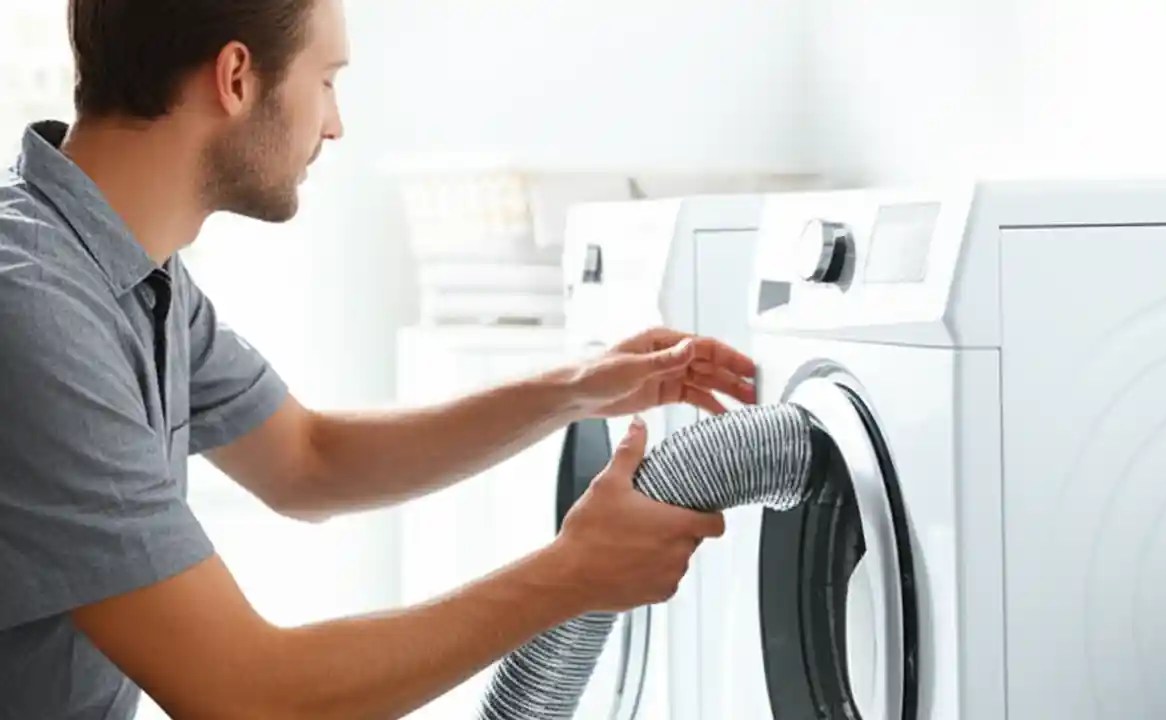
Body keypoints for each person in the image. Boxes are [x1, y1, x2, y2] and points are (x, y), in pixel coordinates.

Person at [0, 1, 757, 717]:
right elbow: (249, 699)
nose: (334, 124)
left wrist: (577, 390)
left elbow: (308, 460)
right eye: (326, 82)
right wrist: (572, 574)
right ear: (236, 78)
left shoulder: (128, 273)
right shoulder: (37, 312)